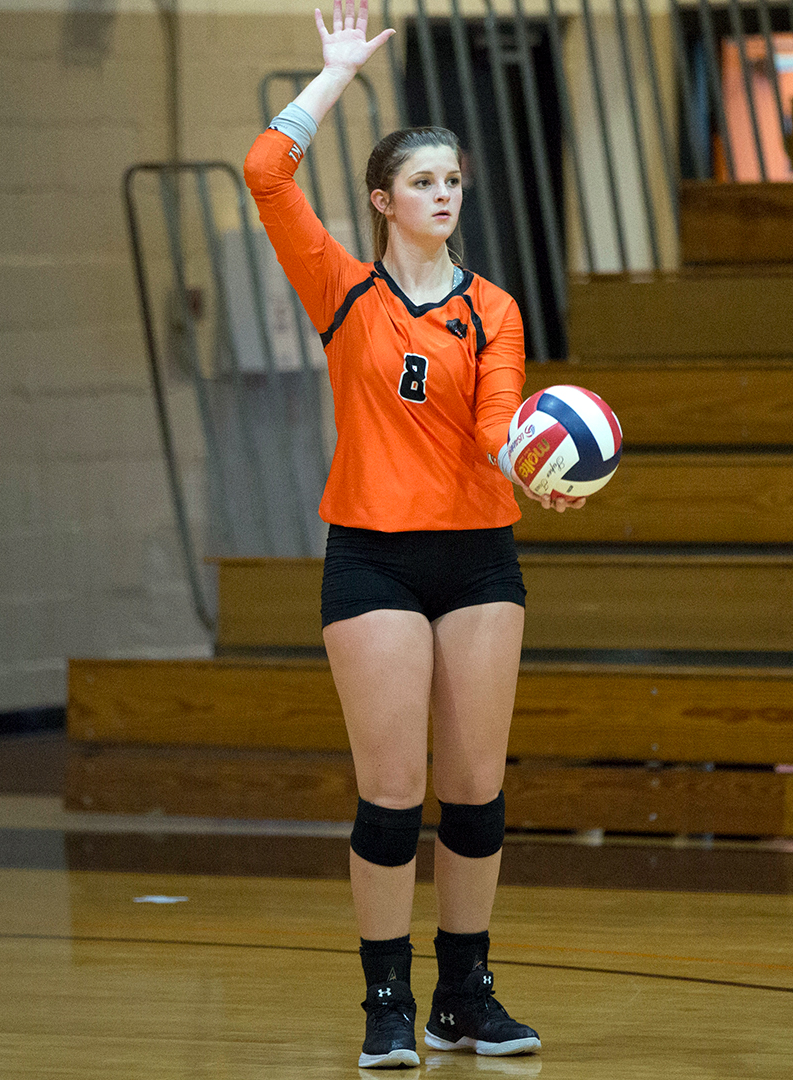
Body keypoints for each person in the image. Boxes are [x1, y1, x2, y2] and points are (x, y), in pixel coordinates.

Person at [243, 0, 581, 1067]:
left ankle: (464, 996)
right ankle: (386, 1004)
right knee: (392, 795)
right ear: (385, 201)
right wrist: (336, 72)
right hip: (374, 557)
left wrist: (535, 466)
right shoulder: (344, 292)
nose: (443, 196)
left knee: (475, 792)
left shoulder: (496, 309)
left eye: (454, 182)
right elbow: (265, 173)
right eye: (423, 183)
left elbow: (490, 430)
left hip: (479, 554)